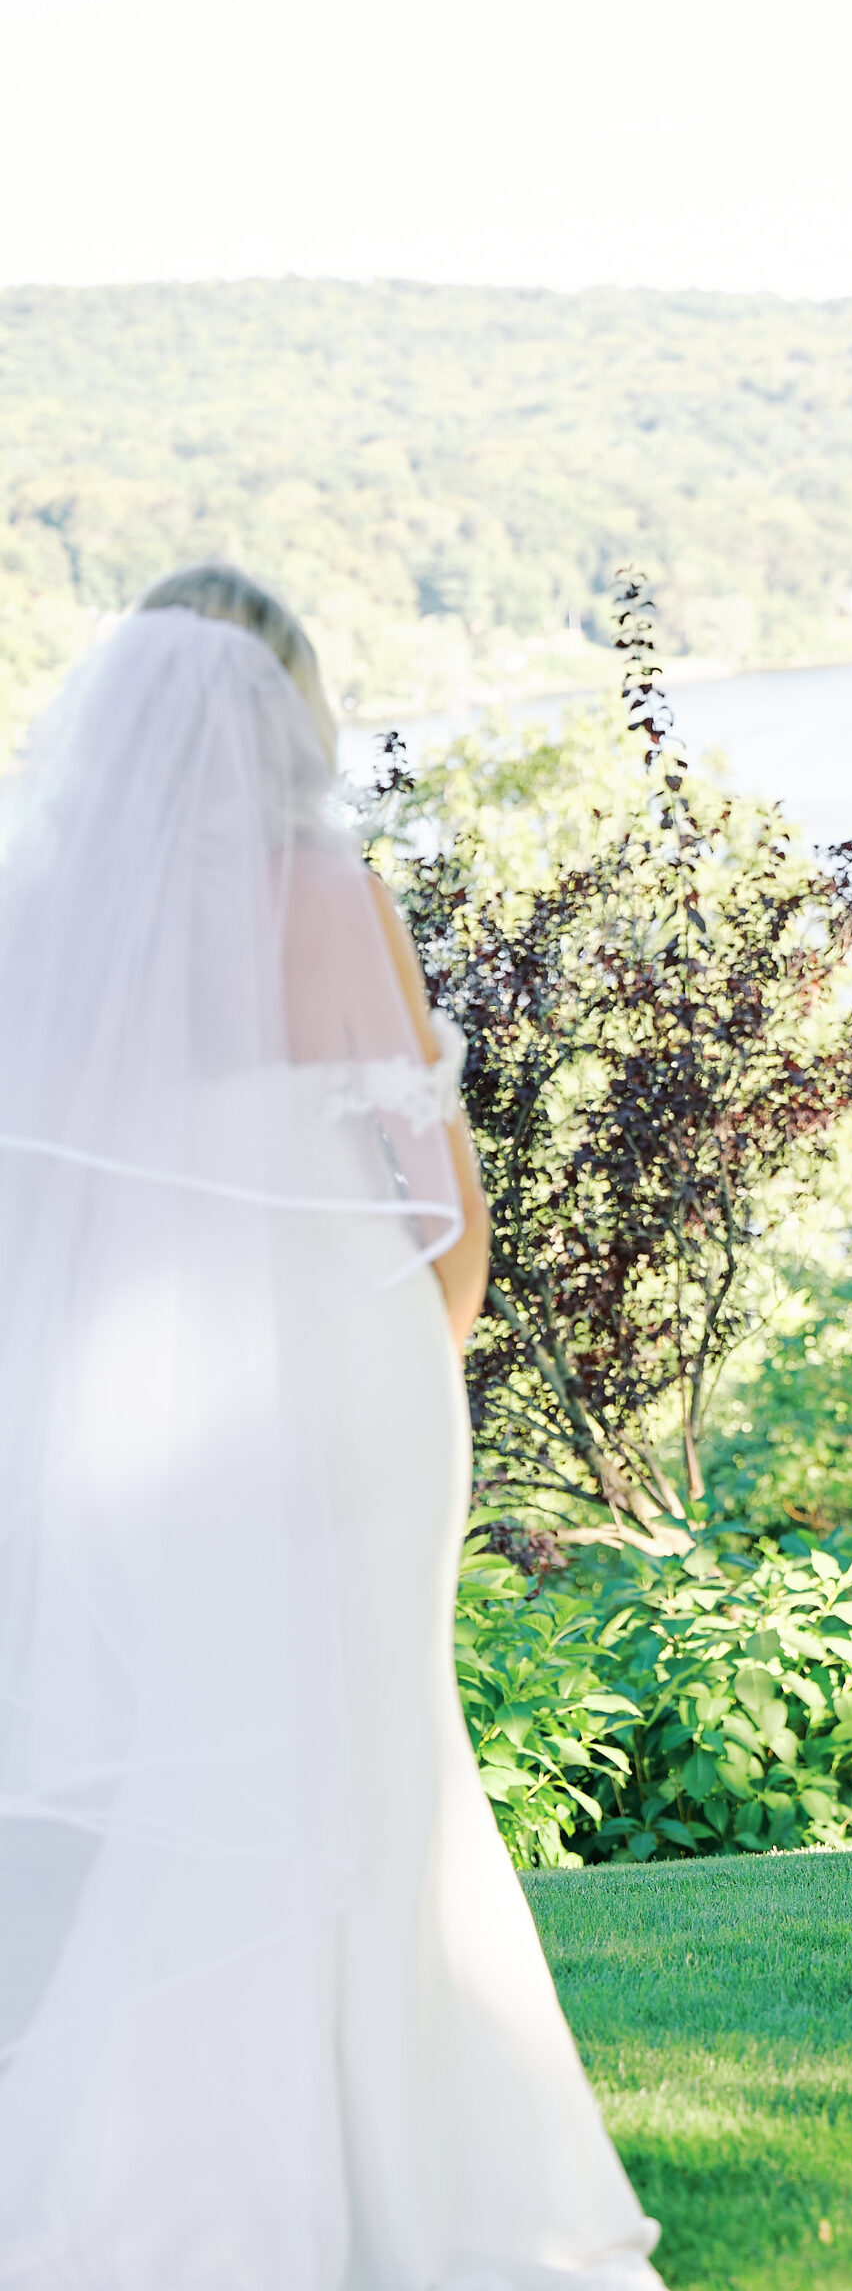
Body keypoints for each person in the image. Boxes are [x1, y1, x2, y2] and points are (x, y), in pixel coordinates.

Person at [0, 568, 665, 2287]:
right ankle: (412, 2195)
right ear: (287, 715)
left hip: (138, 1411)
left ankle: (177, 2196)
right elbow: (443, 1211)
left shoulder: (56, 915)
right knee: (377, 1764)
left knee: (206, 1767)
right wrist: (410, 1389)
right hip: (353, 1393)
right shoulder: (324, 889)